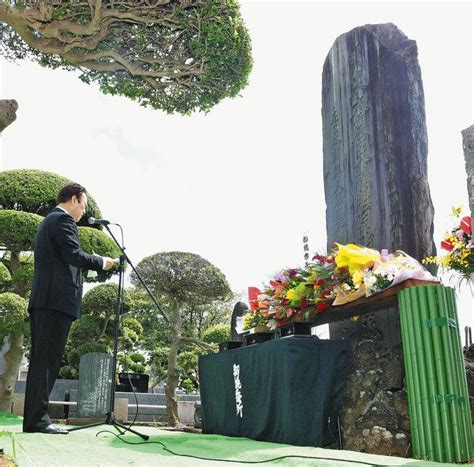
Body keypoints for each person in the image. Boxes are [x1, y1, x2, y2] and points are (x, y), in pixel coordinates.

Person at [23, 183, 116, 434]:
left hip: (46, 302)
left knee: (42, 362)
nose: (83, 212)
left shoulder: (50, 221)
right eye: (83, 206)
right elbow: (73, 254)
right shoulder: (62, 221)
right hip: (54, 303)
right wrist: (102, 262)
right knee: (46, 364)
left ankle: (34, 420)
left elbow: (65, 257)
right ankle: (38, 421)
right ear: (73, 200)